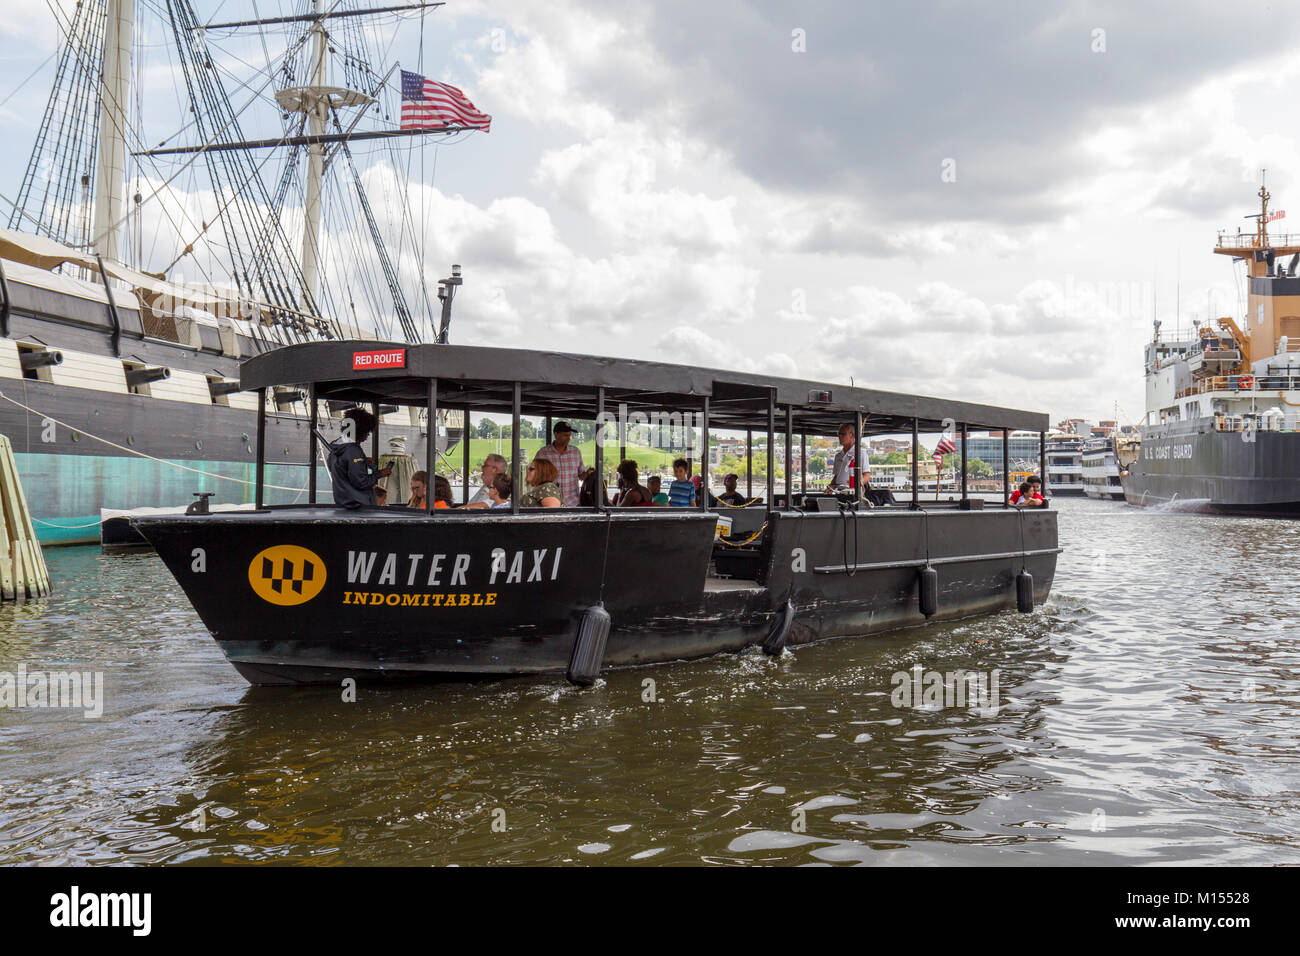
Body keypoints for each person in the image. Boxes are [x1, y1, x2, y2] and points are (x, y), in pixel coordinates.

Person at [327, 407, 392, 508]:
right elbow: (361, 482)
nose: (367, 436)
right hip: (359, 506)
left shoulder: (336, 448)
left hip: (342, 504)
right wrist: (380, 473)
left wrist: (363, 463)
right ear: (360, 431)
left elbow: (342, 469)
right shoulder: (354, 451)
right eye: (367, 432)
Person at [536, 421, 585, 506]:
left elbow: (581, 475)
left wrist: (588, 474)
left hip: (572, 504)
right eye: (565, 435)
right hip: (550, 505)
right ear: (556, 434)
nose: (569, 438)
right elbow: (534, 479)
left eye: (569, 435)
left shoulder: (576, 452)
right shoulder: (543, 454)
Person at [828, 423, 864, 492]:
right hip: (839, 492)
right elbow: (836, 476)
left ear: (852, 435)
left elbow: (867, 475)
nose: (840, 436)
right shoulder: (838, 456)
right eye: (838, 434)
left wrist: (858, 483)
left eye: (843, 433)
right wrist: (830, 487)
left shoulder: (861, 453)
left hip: (854, 492)